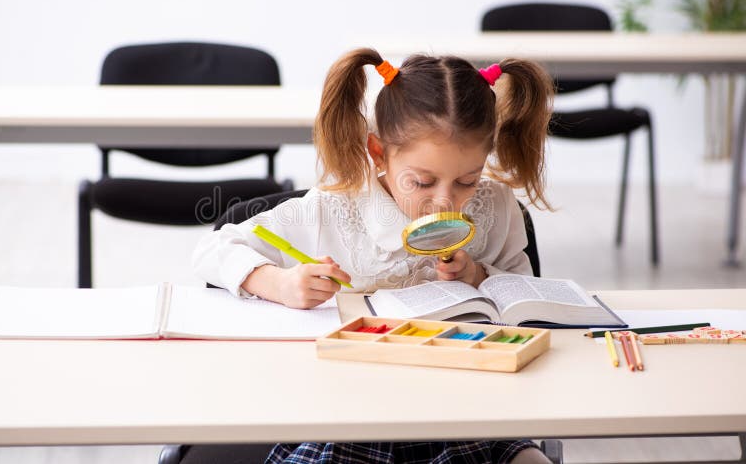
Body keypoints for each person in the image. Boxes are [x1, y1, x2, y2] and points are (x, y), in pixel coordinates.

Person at [193, 47, 555, 464]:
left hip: (467, 407)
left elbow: (526, 294)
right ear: (379, 152)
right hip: (349, 413)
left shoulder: (495, 208)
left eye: (466, 180)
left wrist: (477, 274)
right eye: (421, 181)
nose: (445, 200)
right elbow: (213, 248)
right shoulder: (332, 209)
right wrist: (281, 283)